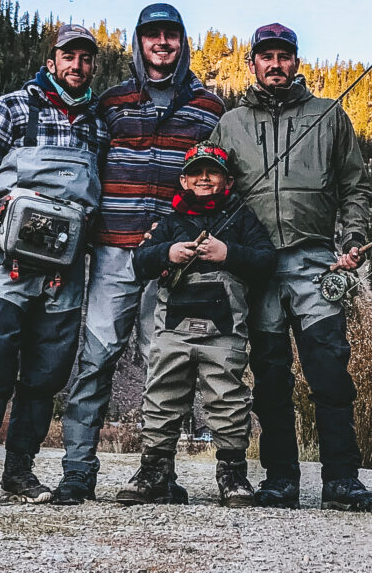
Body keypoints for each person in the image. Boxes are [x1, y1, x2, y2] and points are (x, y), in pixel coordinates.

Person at [52, 3, 225, 505]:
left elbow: (216, 182)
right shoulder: (110, 103)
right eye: (153, 35)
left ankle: (158, 474)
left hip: (176, 261)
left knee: (164, 365)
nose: (162, 43)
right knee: (96, 359)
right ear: (139, 43)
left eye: (171, 34)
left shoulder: (208, 109)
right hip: (113, 255)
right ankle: (77, 471)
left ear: (183, 42)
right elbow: (83, 163)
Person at [207, 22, 372, 511]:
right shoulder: (230, 124)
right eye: (267, 56)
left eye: (285, 55)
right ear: (253, 64)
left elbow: (355, 187)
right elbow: (214, 195)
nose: (276, 64)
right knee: (269, 378)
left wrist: (352, 241)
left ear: (297, 62)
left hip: (315, 261)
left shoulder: (329, 115)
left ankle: (342, 480)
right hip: (256, 269)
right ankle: (280, 480)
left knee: (329, 372)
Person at [0, 23, 108, 506]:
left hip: (65, 272)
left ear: (92, 65)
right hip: (5, 266)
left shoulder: (98, 125)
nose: (76, 66)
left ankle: (20, 474)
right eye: (68, 57)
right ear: (52, 61)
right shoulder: (14, 106)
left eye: (85, 58)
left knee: (45, 376)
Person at [116, 144, 276, 506]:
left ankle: (233, 475)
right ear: (184, 180)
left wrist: (228, 254)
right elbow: (140, 262)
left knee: (228, 399)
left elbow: (267, 261)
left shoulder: (243, 217)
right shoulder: (169, 223)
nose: (204, 178)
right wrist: (167, 253)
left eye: (213, 172)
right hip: (173, 327)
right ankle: (154, 472)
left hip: (224, 331)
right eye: (197, 172)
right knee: (162, 395)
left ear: (227, 180)